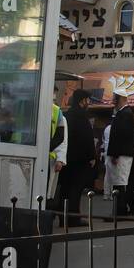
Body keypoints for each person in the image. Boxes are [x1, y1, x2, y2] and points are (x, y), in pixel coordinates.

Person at [57, 90, 96, 221]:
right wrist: (92, 156)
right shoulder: (81, 117)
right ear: (82, 101)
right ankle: (72, 218)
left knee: (65, 188)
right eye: (88, 100)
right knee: (76, 189)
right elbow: (87, 138)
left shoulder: (66, 115)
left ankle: (63, 217)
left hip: (66, 158)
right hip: (80, 160)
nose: (89, 103)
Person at [107, 88, 134, 216]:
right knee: (119, 182)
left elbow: (121, 136)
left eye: (115, 98)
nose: (113, 101)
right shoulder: (123, 113)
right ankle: (122, 208)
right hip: (121, 154)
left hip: (122, 155)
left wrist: (115, 154)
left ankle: (120, 210)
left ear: (122, 99)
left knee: (120, 182)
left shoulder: (125, 114)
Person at [101, 118, 113, 200]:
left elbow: (104, 140)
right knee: (114, 175)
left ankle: (106, 194)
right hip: (113, 153)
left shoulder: (107, 128)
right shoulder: (115, 128)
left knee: (107, 174)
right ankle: (112, 194)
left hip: (106, 152)